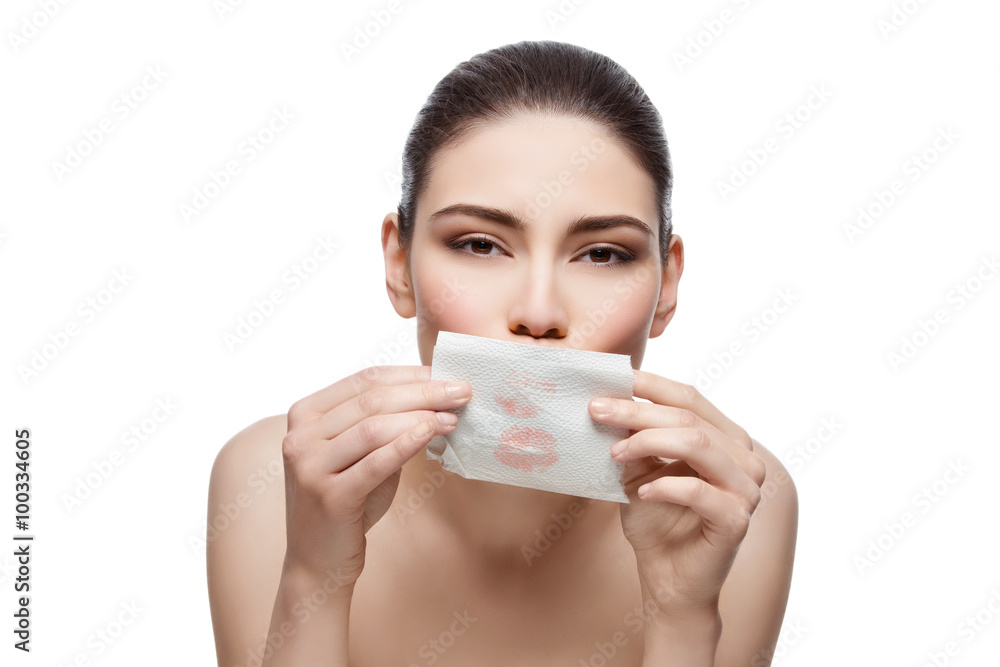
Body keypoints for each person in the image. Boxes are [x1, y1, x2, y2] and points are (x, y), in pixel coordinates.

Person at [207, 39, 798, 666]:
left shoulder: (735, 511)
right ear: (399, 265)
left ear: (666, 286)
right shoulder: (272, 484)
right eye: (480, 245)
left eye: (603, 253)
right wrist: (312, 579)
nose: (538, 315)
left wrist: (683, 617)